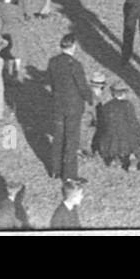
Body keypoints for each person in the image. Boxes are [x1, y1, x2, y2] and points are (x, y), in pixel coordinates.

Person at [47, 34, 93, 180]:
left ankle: (55, 170)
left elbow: (52, 82)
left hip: (58, 104)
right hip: (73, 106)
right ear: (73, 46)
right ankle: (70, 175)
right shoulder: (75, 64)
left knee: (58, 137)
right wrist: (90, 98)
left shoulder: (53, 62)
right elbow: (82, 86)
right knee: (71, 139)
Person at [97, 84, 140, 171]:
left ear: (112, 93)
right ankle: (133, 159)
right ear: (124, 93)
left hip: (109, 143)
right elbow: (134, 124)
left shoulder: (106, 106)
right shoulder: (127, 105)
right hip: (126, 141)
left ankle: (116, 158)